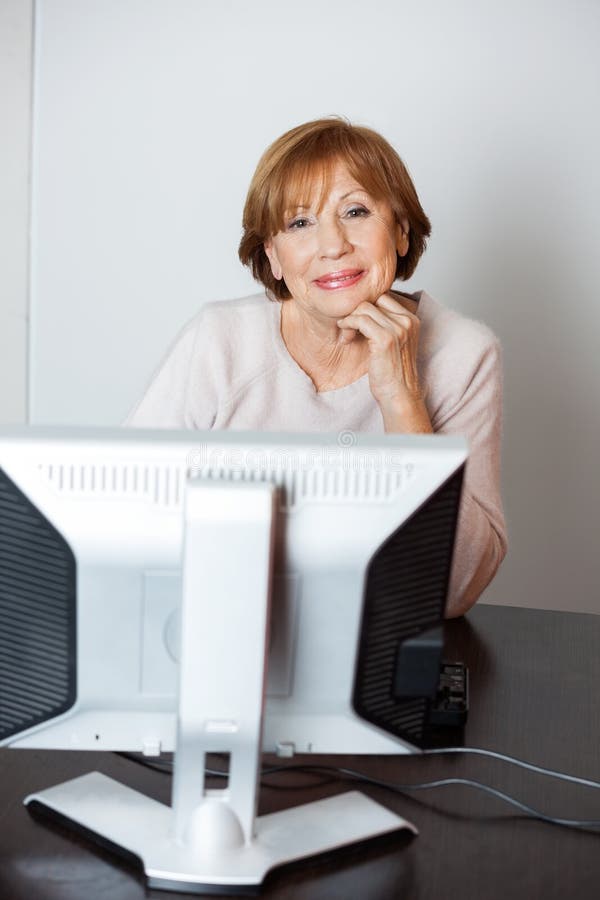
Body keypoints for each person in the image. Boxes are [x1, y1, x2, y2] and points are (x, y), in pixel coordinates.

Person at [125, 117, 507, 617]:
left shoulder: (464, 354)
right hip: (223, 621)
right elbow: (127, 523)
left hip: (378, 644)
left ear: (400, 231)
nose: (332, 245)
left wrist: (402, 399)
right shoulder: (217, 341)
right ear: (273, 256)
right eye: (299, 223)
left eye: (355, 211)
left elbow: (453, 592)